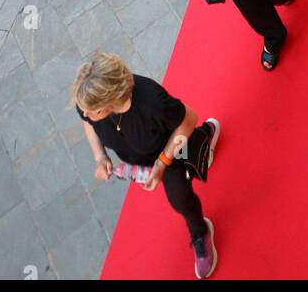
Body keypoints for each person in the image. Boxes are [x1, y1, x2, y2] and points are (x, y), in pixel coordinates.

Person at [72, 51, 220, 279]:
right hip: (143, 154)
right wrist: (100, 157)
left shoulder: (152, 102)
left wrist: (161, 164)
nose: (85, 113)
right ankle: (206, 136)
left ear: (109, 102)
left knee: (179, 198)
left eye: (91, 111)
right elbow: (88, 123)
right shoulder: (89, 104)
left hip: (169, 152)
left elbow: (188, 118)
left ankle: (200, 231)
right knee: (193, 153)